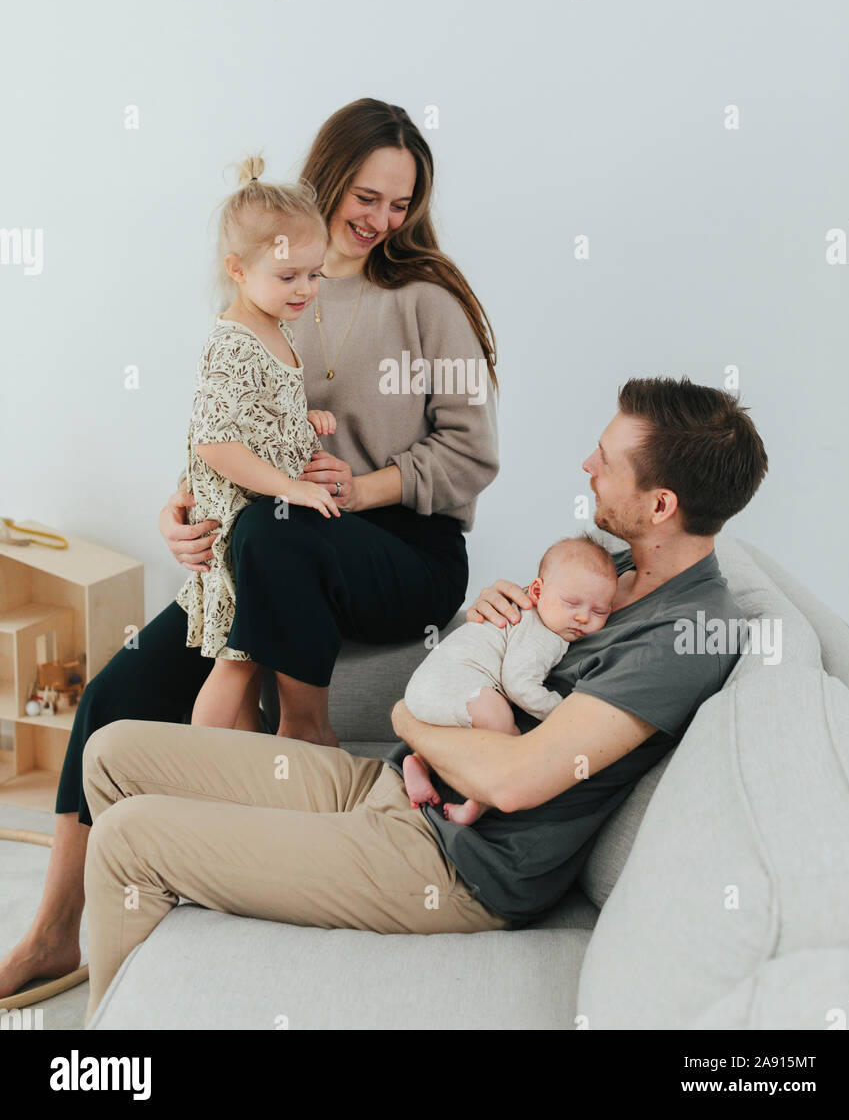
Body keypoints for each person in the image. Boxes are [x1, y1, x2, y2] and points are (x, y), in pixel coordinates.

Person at [0, 98, 499, 1001]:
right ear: (330, 174)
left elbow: (471, 459)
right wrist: (179, 510)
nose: (383, 219)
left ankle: (303, 745)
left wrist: (361, 485)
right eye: (370, 195)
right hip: (275, 533)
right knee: (116, 692)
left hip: (401, 548)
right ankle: (51, 934)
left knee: (278, 529)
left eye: (403, 204)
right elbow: (217, 431)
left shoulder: (430, 304)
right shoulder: (278, 279)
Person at [80, 377, 768, 1024]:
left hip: (455, 862)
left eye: (609, 461)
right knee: (112, 752)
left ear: (660, 506)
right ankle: (157, 978)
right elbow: (504, 670)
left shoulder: (683, 636)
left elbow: (514, 779)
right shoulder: (613, 570)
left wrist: (407, 715)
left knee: (126, 840)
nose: (588, 463)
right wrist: (484, 621)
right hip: (399, 788)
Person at [179, 159, 341, 731]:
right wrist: (290, 487)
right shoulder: (235, 342)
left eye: (314, 275)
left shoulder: (277, 324)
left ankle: (239, 780)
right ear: (238, 270)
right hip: (236, 524)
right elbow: (216, 444)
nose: (304, 289)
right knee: (236, 664)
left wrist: (304, 418)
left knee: (250, 660)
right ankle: (205, 769)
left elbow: (259, 413)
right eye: (288, 275)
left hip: (261, 523)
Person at [401, 533, 618, 824]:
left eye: (599, 611)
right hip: (450, 681)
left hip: (429, 687)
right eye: (571, 603)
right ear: (537, 592)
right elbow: (519, 684)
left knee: (472, 731)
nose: (582, 617)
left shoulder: (536, 616)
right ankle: (474, 806)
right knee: (505, 735)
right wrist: (562, 711)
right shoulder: (542, 634)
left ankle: (418, 761)